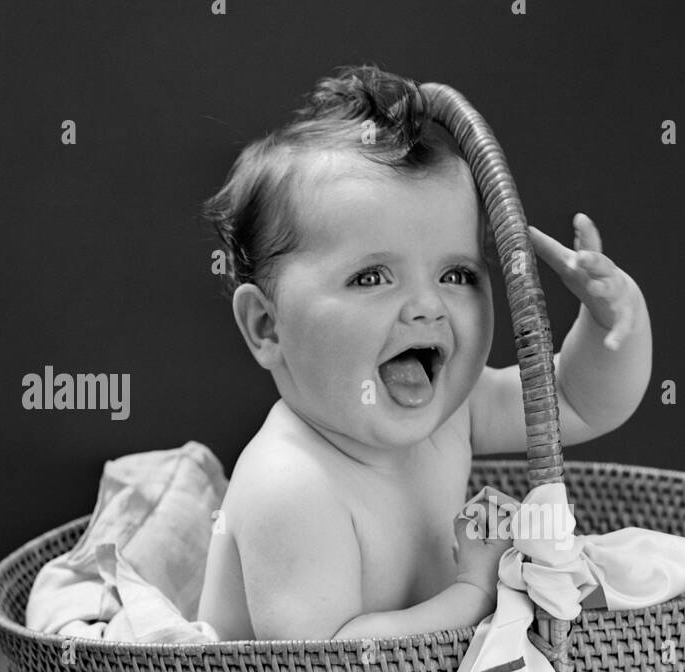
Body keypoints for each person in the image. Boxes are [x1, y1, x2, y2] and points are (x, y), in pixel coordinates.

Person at [198, 63, 651, 641]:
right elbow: (321, 671)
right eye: (371, 278)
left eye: (458, 274)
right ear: (268, 326)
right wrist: (474, 593)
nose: (428, 307)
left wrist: (614, 320)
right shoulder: (291, 484)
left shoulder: (450, 412)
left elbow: (576, 401)